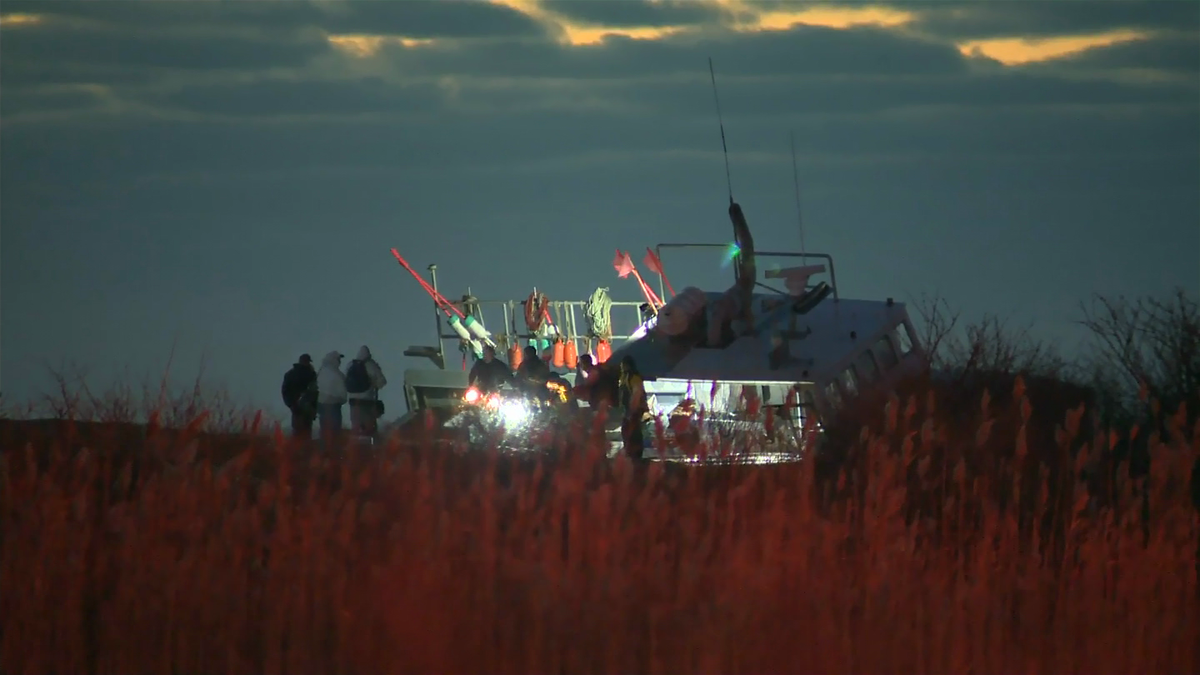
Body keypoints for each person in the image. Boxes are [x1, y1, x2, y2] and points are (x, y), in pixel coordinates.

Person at [345, 345, 388, 440]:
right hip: (366, 401)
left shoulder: (350, 365)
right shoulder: (371, 365)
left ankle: (356, 449)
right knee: (369, 429)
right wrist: (374, 384)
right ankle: (369, 450)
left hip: (353, 402)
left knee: (356, 428)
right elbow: (382, 382)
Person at [619, 355, 649, 461]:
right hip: (626, 412)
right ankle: (630, 454)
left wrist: (632, 411)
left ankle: (636, 457)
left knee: (634, 434)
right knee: (626, 433)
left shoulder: (634, 378)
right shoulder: (624, 378)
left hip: (633, 412)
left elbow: (637, 393)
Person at [281, 353, 318, 439]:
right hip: (305, 406)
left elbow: (285, 391)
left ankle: (297, 449)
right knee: (304, 432)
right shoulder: (311, 374)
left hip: (299, 406)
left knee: (299, 432)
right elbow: (316, 391)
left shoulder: (290, 374)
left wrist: (291, 404)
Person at [316, 351, 347, 441]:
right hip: (334, 403)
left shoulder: (321, 372)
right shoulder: (336, 373)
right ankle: (333, 448)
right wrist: (343, 399)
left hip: (321, 403)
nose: (339, 361)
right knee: (335, 429)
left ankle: (324, 447)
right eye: (338, 359)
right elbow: (342, 388)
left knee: (324, 428)